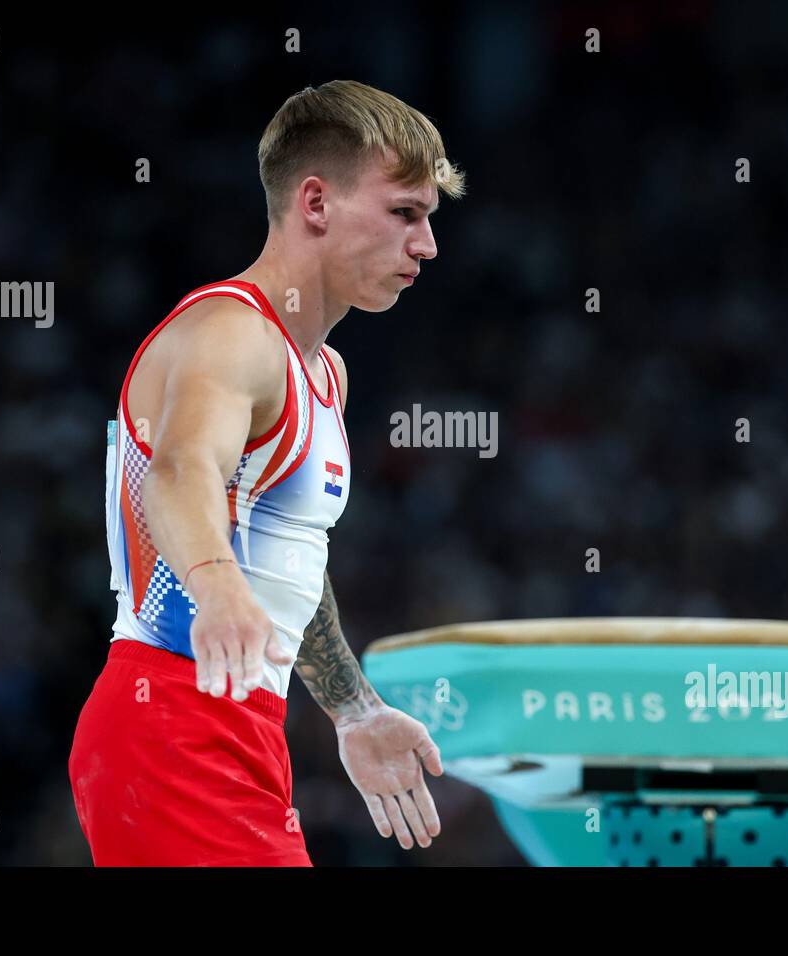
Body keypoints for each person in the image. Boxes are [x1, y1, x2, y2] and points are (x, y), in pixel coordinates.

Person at [68, 80, 467, 865]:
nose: (427, 246)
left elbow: (286, 558)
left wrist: (352, 710)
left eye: (430, 219)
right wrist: (214, 584)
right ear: (315, 201)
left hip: (240, 726)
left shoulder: (326, 374)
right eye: (404, 213)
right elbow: (182, 470)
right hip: (171, 717)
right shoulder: (231, 335)